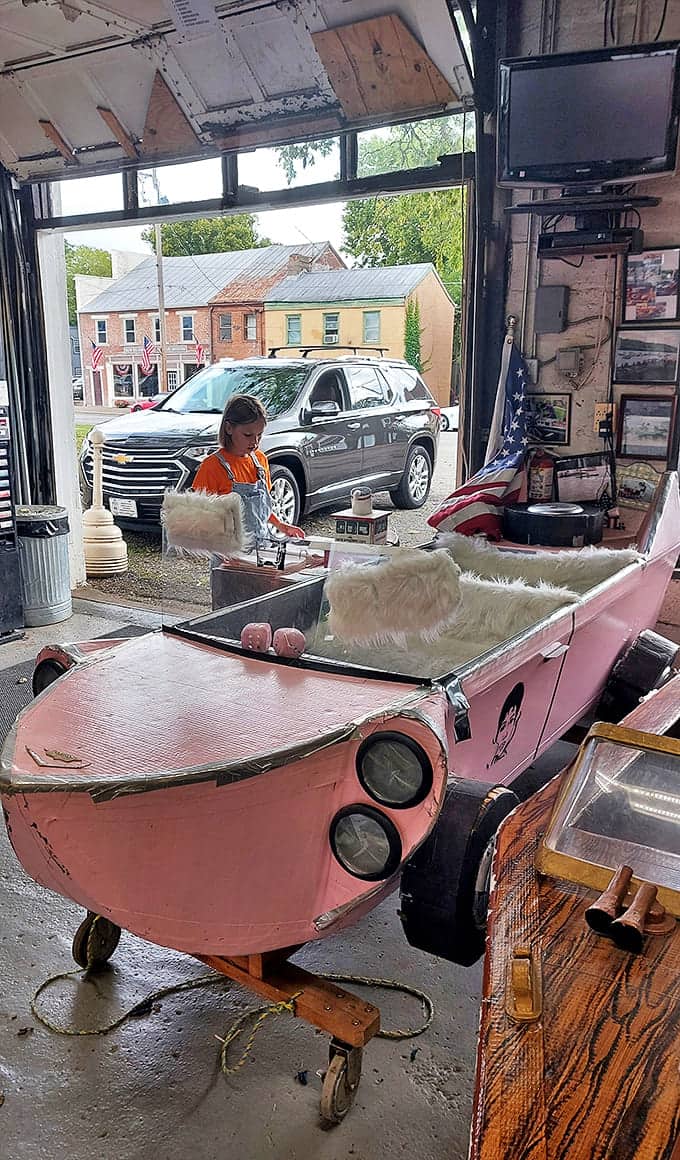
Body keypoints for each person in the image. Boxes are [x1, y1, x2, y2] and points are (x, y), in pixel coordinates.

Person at [192, 393, 304, 543]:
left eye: (260, 435)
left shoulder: (260, 460)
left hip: (261, 548)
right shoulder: (211, 467)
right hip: (227, 552)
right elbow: (198, 519)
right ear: (229, 428)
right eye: (248, 435)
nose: (255, 442)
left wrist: (280, 525)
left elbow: (260, 509)